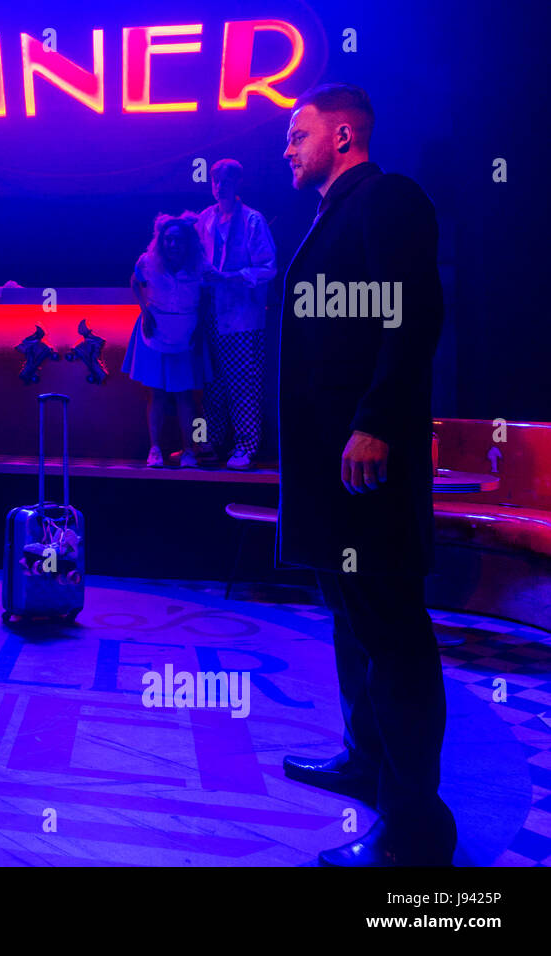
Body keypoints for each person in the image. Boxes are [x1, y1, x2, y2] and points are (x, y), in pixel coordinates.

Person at [277, 84, 451, 866]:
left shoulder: (389, 200)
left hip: (366, 465)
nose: (287, 148)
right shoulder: (332, 212)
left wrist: (376, 420)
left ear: (343, 134)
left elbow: (413, 319)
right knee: (353, 623)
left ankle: (417, 831)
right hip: (332, 474)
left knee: (393, 634)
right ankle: (367, 761)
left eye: (298, 132)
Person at [195, 159, 277, 470]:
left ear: (238, 182)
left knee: (244, 383)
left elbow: (268, 267)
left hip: (242, 319)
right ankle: (210, 443)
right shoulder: (205, 219)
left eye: (226, 180)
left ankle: (246, 446)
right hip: (210, 315)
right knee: (211, 384)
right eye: (216, 180)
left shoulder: (253, 221)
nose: (220, 186)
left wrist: (231, 277)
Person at [122, 212, 217, 468]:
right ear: (161, 241)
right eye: (168, 240)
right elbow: (135, 281)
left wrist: (200, 325)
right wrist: (144, 310)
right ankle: (155, 450)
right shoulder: (147, 261)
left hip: (187, 331)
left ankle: (189, 451)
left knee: (187, 396)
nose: (173, 244)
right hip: (156, 332)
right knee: (157, 395)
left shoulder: (201, 265)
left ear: (188, 242)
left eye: (178, 240)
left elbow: (208, 294)